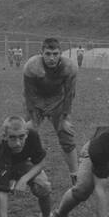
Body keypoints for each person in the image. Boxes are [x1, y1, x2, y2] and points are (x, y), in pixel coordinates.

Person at [23, 37, 79, 183]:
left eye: (55, 54)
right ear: (41, 53)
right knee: (24, 133)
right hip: (37, 100)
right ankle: (18, 168)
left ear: (61, 53)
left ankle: (75, 176)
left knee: (66, 134)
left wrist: (65, 117)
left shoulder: (69, 67)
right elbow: (28, 94)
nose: (51, 58)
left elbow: (69, 93)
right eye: (48, 54)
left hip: (58, 101)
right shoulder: (31, 66)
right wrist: (32, 116)